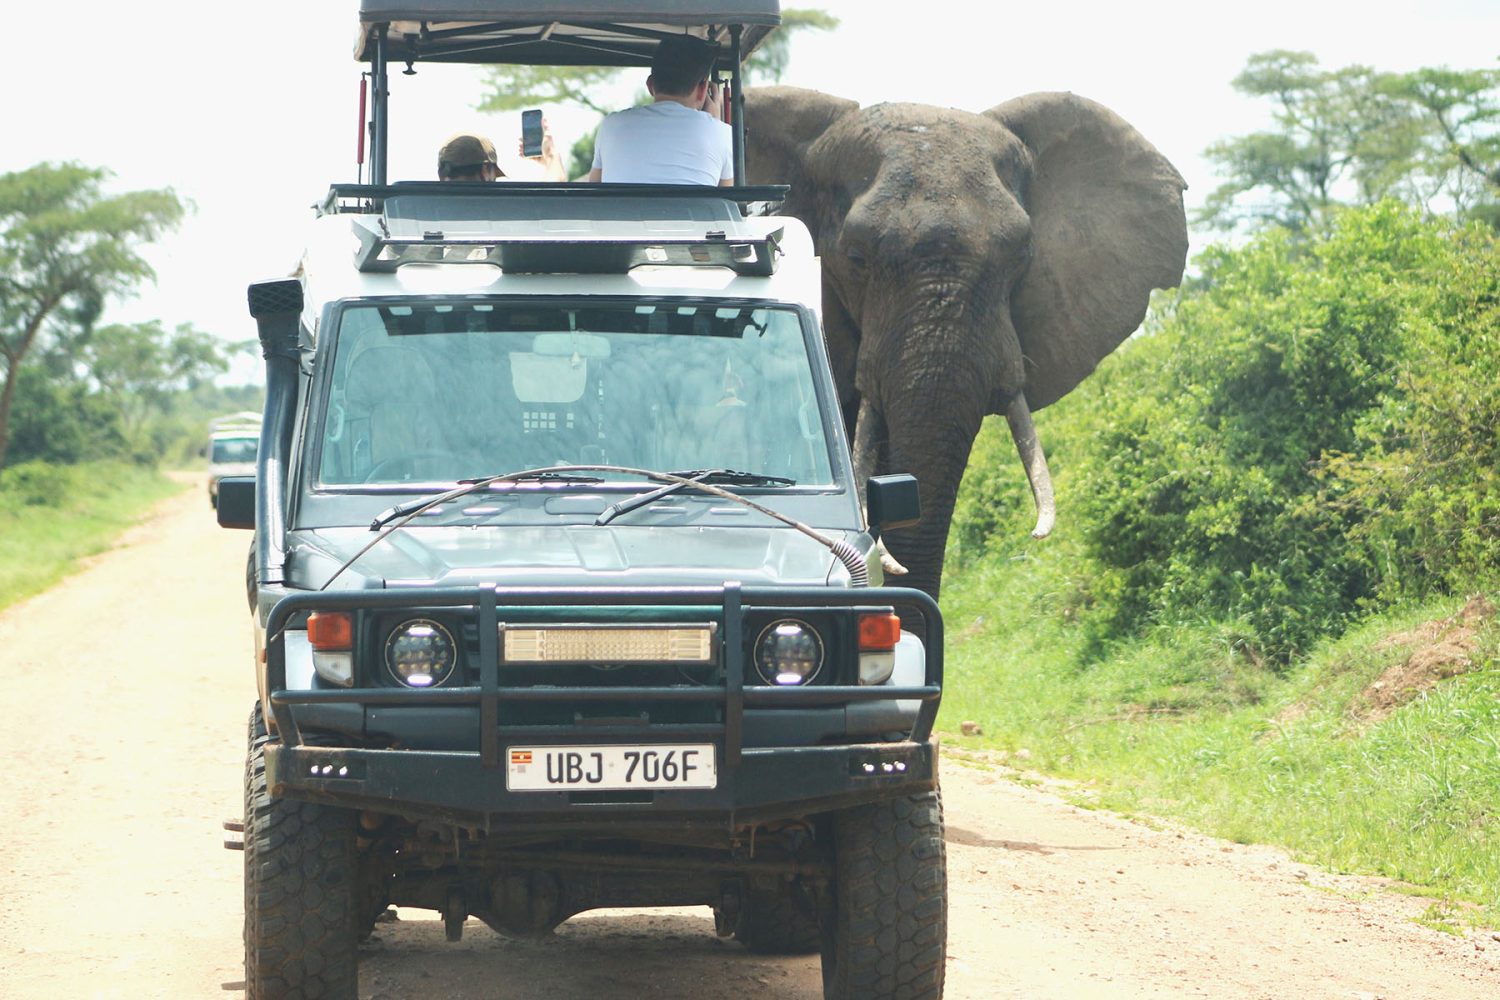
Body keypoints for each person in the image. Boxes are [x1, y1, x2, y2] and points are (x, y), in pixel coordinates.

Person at [586, 35, 733, 186]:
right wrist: (714, 123)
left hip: (624, 211)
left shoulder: (611, 124)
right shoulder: (723, 134)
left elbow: (595, 187)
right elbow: (726, 200)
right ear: (703, 89)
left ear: (650, 85)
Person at [438, 124, 567, 182]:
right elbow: (549, 201)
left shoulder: (426, 212)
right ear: (485, 172)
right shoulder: (501, 211)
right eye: (494, 177)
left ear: (441, 175)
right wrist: (551, 156)